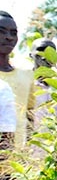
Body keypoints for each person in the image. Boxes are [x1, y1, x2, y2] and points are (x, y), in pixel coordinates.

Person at [0, 11, 34, 147]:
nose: (9, 37)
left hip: (19, 157)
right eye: (2, 32)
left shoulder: (26, 74)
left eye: (13, 33)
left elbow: (31, 116)